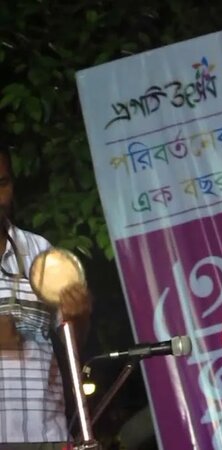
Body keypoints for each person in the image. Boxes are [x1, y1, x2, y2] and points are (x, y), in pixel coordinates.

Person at [0, 147, 92, 447]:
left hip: (46, 436)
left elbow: (73, 349)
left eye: (1, 183)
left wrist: (78, 316)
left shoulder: (40, 253)